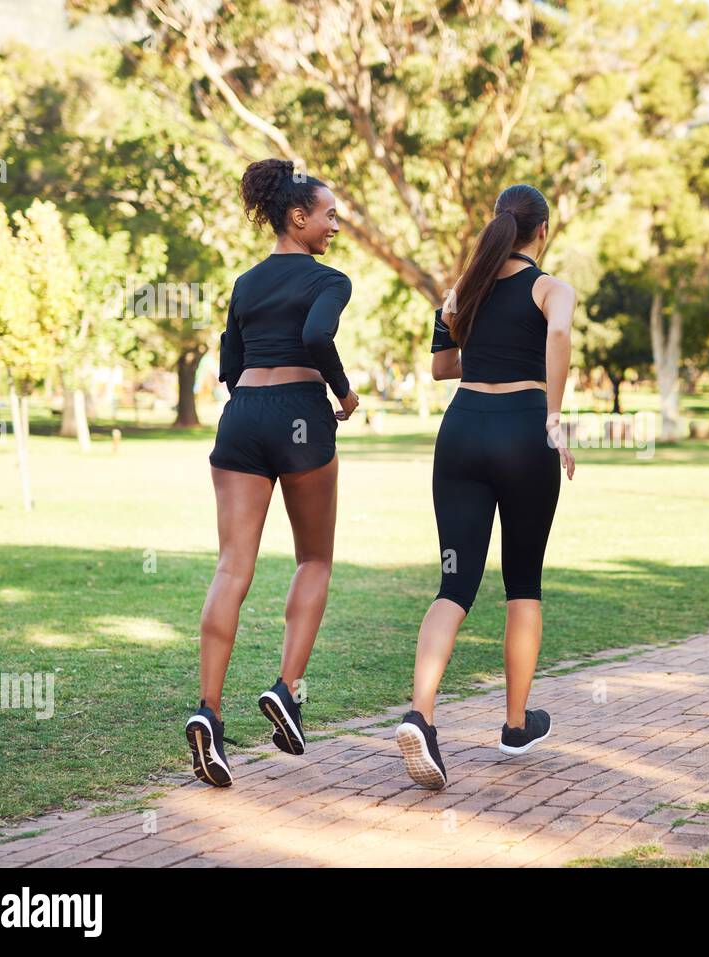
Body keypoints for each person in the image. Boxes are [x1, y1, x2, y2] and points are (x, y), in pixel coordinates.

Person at [394, 184, 577, 790]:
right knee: (522, 581)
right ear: (542, 231)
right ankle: (516, 724)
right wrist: (554, 416)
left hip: (463, 433)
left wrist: (453, 323)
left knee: (454, 583)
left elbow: (442, 368)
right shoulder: (552, 287)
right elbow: (557, 336)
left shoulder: (464, 291)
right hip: (524, 435)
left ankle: (421, 714)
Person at [185, 159, 359, 788]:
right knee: (314, 558)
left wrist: (252, 405)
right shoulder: (330, 281)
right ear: (298, 217)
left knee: (233, 565)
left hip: (243, 417)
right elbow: (317, 336)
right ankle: (286, 690)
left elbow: (230, 359)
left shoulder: (245, 282)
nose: (336, 224)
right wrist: (341, 392)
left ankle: (209, 711)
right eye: (329, 213)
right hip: (302, 417)